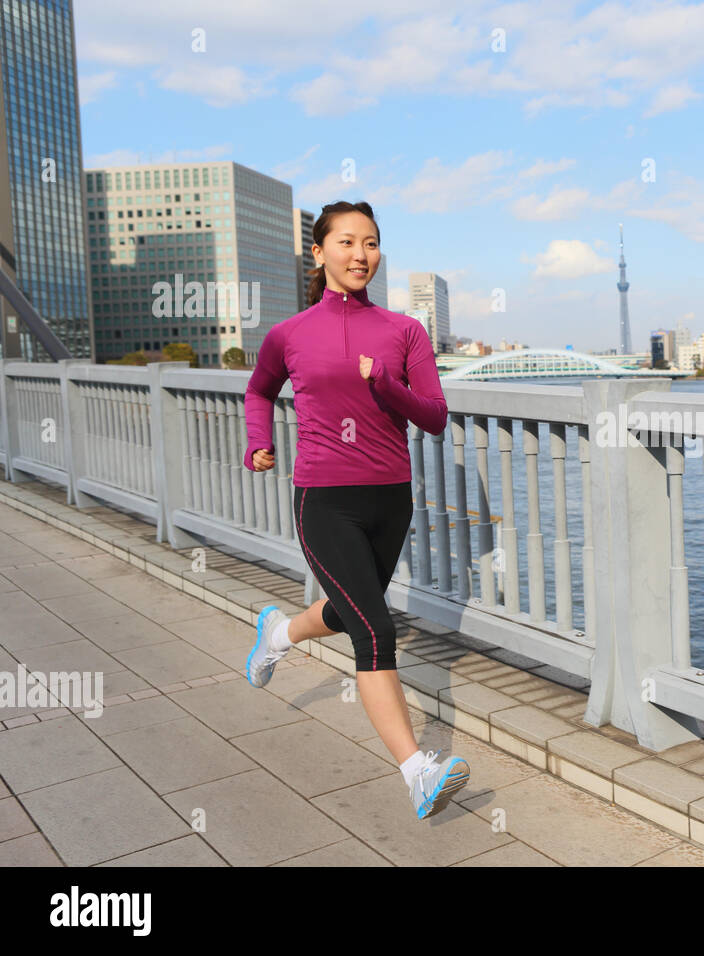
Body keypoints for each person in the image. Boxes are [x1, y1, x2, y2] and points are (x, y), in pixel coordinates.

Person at [241, 200, 468, 821]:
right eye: (346, 242)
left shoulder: (404, 331)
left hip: (390, 496)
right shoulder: (289, 334)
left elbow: (435, 416)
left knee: (347, 613)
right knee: (375, 629)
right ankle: (417, 771)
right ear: (319, 253)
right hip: (325, 498)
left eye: (370, 243)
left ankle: (279, 633)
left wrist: (384, 386)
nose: (360, 255)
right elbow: (259, 389)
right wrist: (257, 443)